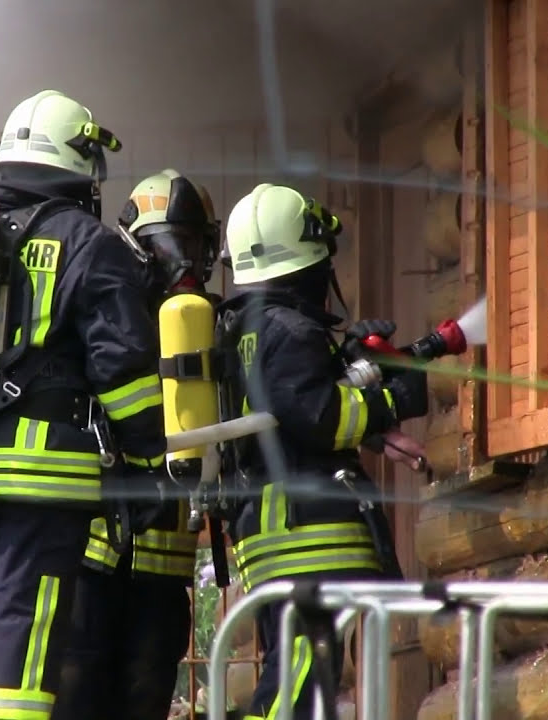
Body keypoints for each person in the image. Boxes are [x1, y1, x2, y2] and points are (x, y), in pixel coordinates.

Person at [0, 89, 166, 720]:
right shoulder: (88, 243)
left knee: (2, 623)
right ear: (80, 164)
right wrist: (147, 457)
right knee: (28, 632)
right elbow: (121, 366)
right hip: (42, 475)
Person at [215, 183, 429, 720]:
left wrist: (348, 364)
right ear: (312, 254)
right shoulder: (286, 328)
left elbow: (287, 412)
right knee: (299, 685)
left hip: (278, 530)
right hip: (304, 532)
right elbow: (318, 417)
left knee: (303, 678)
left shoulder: (247, 327)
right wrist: (387, 402)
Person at [52, 169, 223, 720]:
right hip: (94, 550)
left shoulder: (212, 324)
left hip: (164, 561)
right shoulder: (105, 309)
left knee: (146, 692)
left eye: (196, 246)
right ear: (137, 247)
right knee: (78, 687)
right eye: (172, 245)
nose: (186, 263)